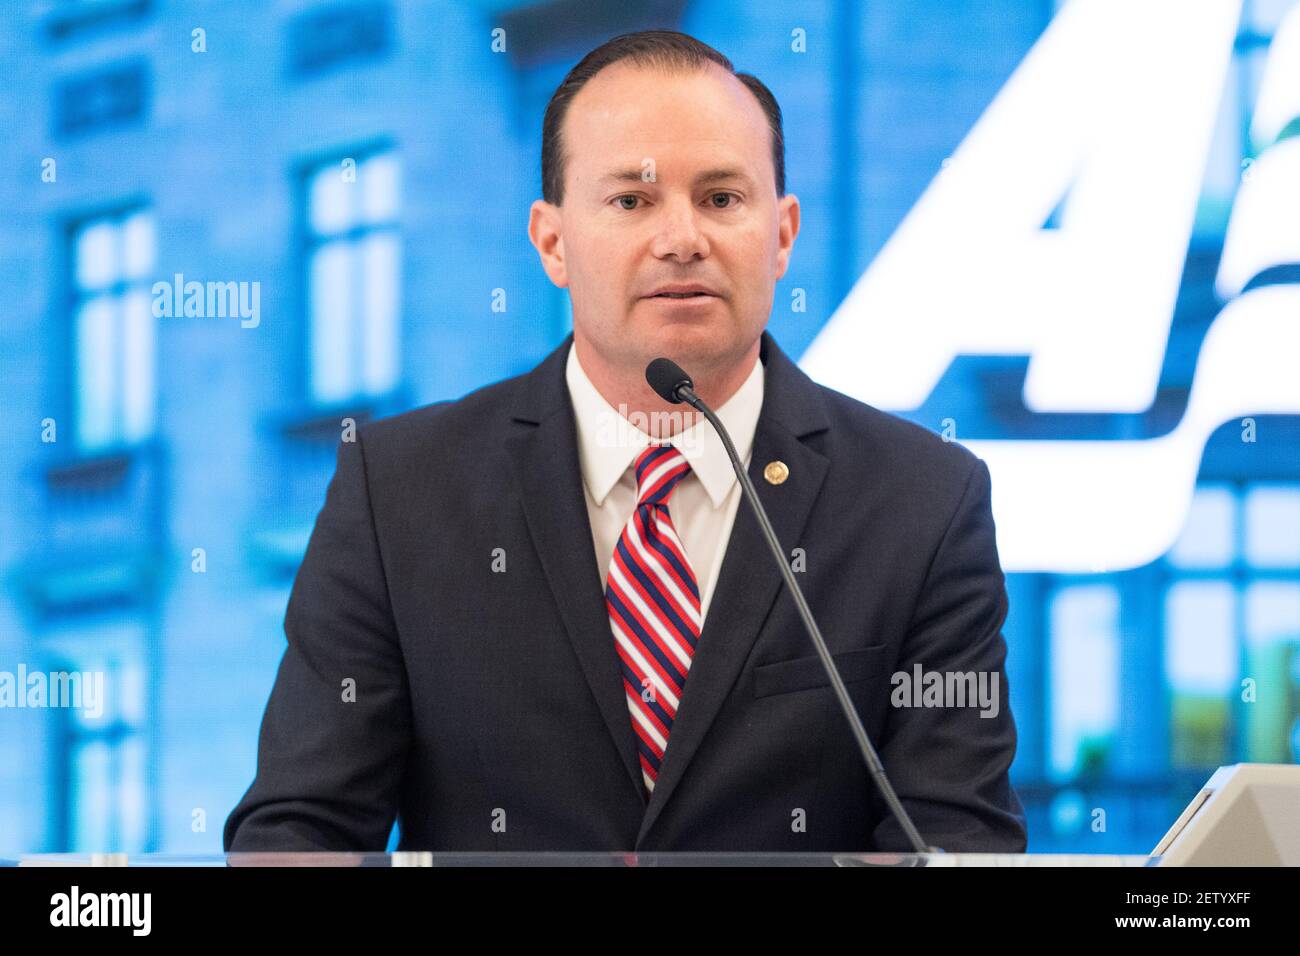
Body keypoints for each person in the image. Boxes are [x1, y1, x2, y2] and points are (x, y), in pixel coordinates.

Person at [225, 29, 1028, 854]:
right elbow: (300, 827)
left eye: (722, 198)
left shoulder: (924, 503)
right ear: (552, 242)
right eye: (631, 201)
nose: (682, 237)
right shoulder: (398, 492)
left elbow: (956, 837)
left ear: (783, 234)